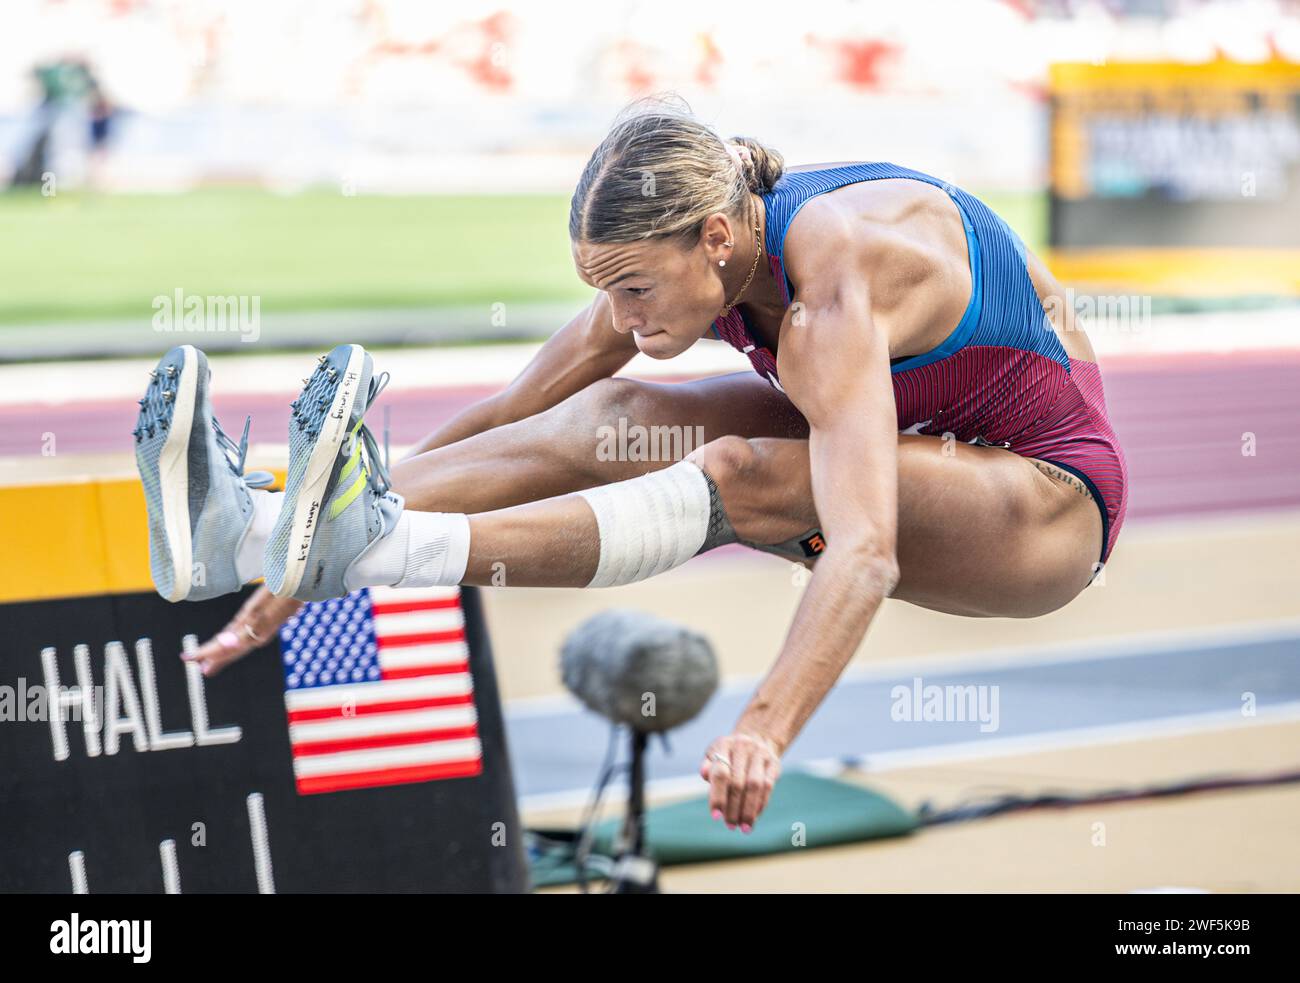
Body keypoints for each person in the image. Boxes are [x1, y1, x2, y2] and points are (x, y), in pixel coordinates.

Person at [133, 97, 1127, 833]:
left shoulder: (834, 284)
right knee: (608, 415)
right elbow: (522, 411)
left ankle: (381, 551)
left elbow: (862, 547)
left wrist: (765, 727)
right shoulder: (698, 234)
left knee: (746, 470)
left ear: (715, 240)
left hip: (1043, 507)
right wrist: (292, 552)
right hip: (919, 433)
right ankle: (261, 517)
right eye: (600, 289)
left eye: (634, 288)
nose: (619, 317)